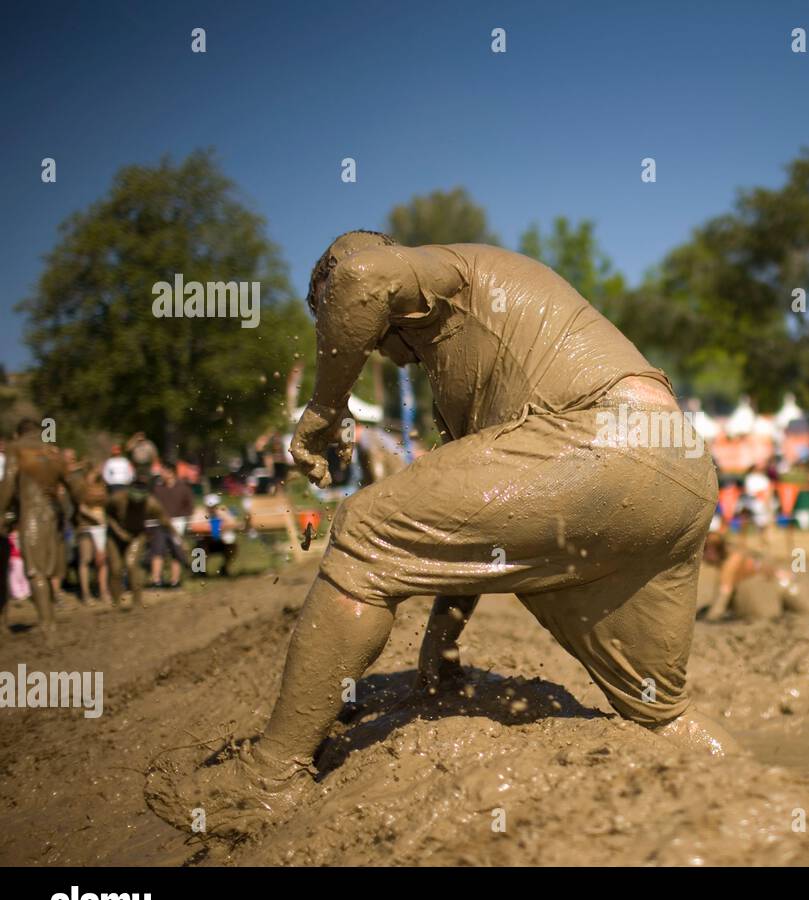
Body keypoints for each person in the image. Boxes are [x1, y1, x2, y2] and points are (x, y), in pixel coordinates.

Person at [147, 232, 733, 838]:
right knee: (657, 709)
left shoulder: (433, 269)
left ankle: (269, 777)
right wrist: (440, 661)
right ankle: (769, 803)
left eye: (370, 338)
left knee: (362, 534)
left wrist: (326, 406)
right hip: (678, 471)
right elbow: (460, 538)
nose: (380, 354)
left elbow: (361, 277)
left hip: (599, 441)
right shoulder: (469, 355)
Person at [0, 419, 85, 633]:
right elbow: (76, 487)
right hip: (54, 516)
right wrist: (75, 517)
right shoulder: (53, 452)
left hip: (32, 514)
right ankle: (50, 619)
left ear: (18, 434)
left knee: (35, 571)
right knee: (46, 572)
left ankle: (47, 624)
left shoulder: (16, 449)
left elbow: (9, 483)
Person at [700, 530, 809, 621]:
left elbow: (723, 595)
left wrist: (711, 617)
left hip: (759, 606)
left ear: (711, 551)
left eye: (703, 551)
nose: (701, 557)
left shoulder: (730, 565)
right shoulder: (739, 556)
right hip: (772, 593)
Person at [103, 482, 165, 610]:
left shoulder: (152, 504)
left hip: (137, 535)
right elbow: (106, 514)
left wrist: (178, 539)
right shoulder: (116, 498)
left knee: (131, 565)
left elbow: (165, 521)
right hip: (114, 536)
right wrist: (118, 531)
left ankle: (137, 602)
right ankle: (116, 603)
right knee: (115, 569)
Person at [149, 463, 193, 588]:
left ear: (171, 472)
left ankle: (175, 580)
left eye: (164, 471)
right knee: (157, 551)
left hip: (178, 524)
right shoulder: (157, 489)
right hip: (159, 524)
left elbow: (189, 506)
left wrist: (183, 518)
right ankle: (156, 580)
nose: (161, 474)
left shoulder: (183, 488)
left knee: (176, 552)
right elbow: (152, 505)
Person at [74, 470, 110, 603]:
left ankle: (103, 591)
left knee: (102, 561)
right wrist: (94, 516)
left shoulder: (103, 487)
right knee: (86, 559)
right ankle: (86, 594)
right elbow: (81, 507)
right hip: (86, 527)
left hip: (101, 527)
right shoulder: (82, 489)